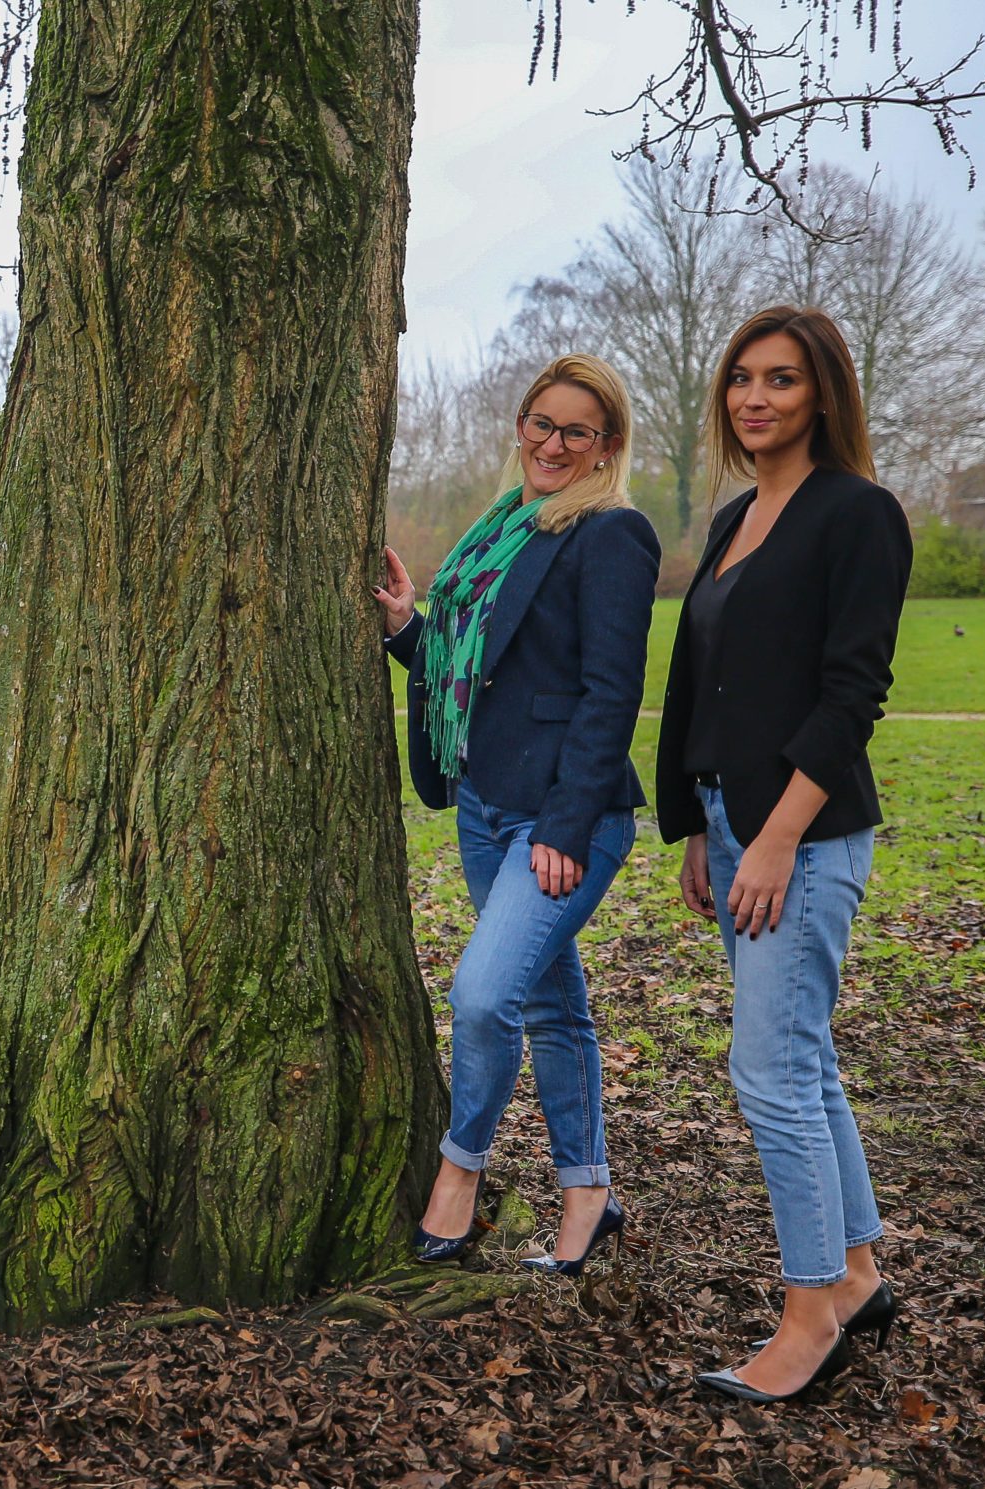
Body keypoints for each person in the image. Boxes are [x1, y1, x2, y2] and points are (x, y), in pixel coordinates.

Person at [656, 307, 913, 1403]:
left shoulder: (857, 516)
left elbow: (851, 693)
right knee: (801, 1061)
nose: (754, 398)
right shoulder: (731, 518)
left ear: (823, 396)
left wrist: (770, 837)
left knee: (766, 1075)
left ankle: (808, 1311)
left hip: (801, 835)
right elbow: (704, 680)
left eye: (781, 381)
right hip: (733, 825)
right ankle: (854, 1271)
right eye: (740, 380)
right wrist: (699, 826)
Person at [375, 354, 659, 1273]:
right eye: (542, 422)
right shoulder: (505, 528)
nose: (553, 443)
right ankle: (588, 1193)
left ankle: (458, 1172)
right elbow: (483, 672)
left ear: (606, 445)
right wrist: (408, 631)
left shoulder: (611, 532)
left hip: (560, 821)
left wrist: (567, 828)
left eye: (577, 430)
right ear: (521, 426)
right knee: (551, 1004)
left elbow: (610, 694)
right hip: (484, 806)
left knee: (484, 993)